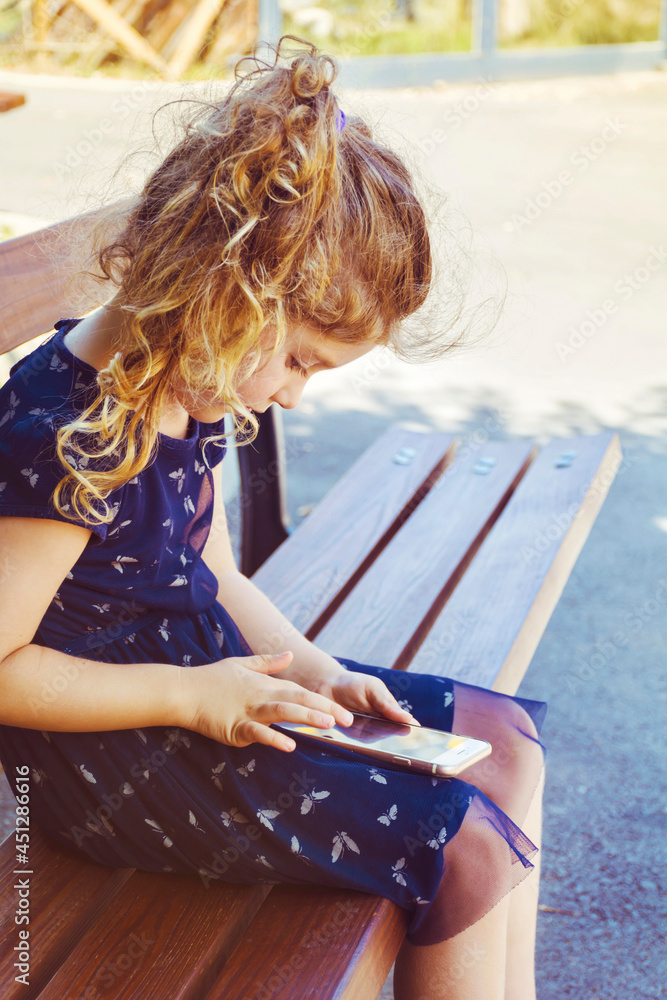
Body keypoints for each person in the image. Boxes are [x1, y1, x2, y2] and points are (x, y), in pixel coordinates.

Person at [0, 37, 546, 1000]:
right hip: (118, 758)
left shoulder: (183, 381)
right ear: (228, 294)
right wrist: (190, 695)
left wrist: (319, 672)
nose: (292, 396)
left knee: (501, 743)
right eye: (299, 361)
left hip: (212, 691)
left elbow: (215, 571)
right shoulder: (73, 436)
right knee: (456, 842)